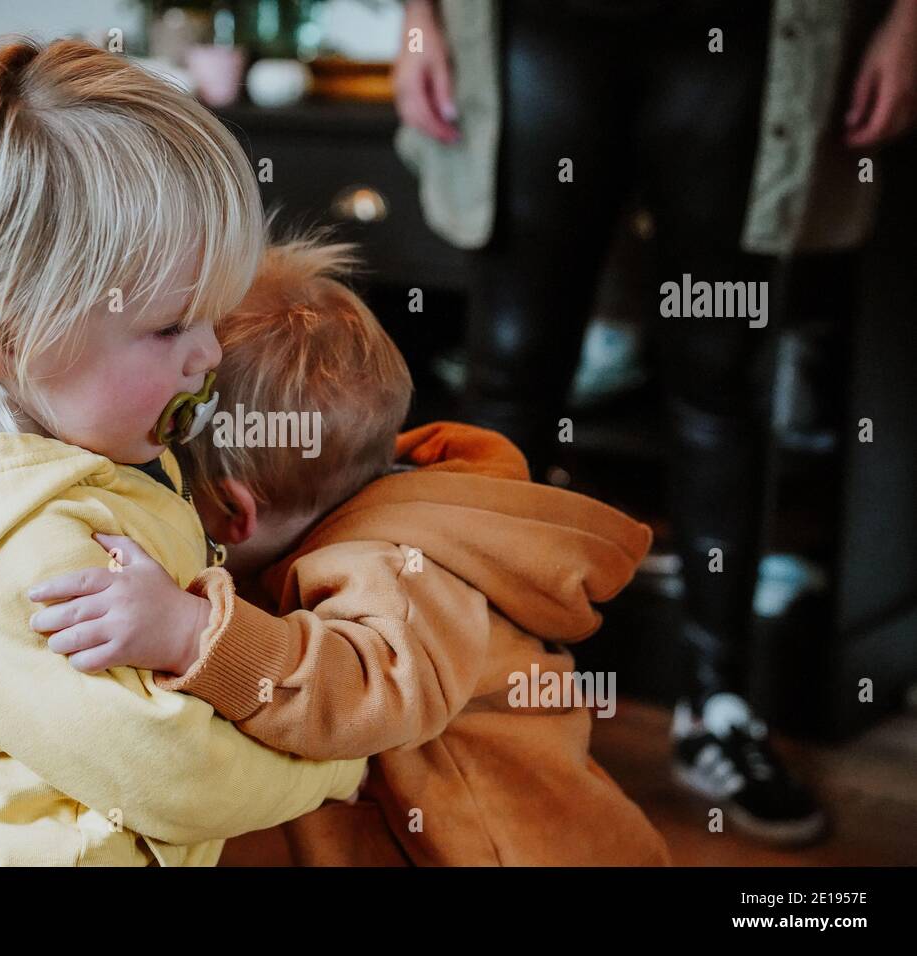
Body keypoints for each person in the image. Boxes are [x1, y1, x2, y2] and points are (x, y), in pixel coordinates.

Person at [391, 0, 917, 844]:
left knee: (722, 376)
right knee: (512, 374)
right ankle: (489, 700)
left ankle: (720, 709)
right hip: (539, 27)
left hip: (738, 32)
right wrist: (421, 16)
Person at [0, 37, 363, 866]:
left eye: (211, 319)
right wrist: (339, 761)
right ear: (5, 339)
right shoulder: (28, 560)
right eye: (167, 328)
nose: (209, 356)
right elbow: (176, 776)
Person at [29, 237, 672, 865]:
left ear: (232, 511)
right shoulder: (337, 509)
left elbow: (370, 691)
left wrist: (191, 632)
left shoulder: (391, 563)